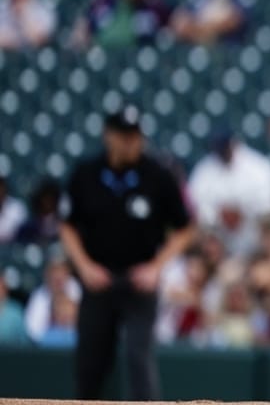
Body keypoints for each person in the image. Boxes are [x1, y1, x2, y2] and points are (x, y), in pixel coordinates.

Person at [60, 107, 194, 399]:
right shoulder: (87, 174)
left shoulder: (157, 176)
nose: (131, 142)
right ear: (108, 136)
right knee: (90, 364)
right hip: (98, 281)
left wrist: (156, 267)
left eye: (135, 135)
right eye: (124, 135)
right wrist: (84, 267)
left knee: (138, 359)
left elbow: (185, 228)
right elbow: (67, 226)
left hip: (139, 282)